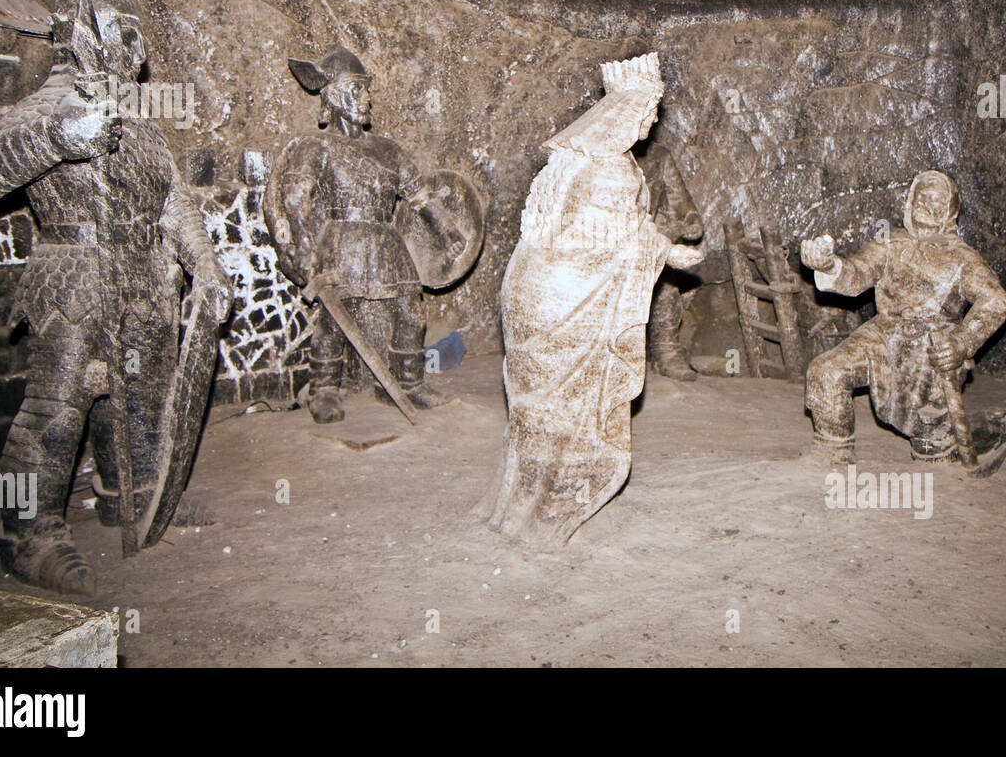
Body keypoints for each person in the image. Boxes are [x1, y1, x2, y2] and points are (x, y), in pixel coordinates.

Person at [0, 0, 231, 594]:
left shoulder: (139, 121)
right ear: (85, 30)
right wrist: (56, 138)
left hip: (141, 276)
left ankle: (127, 493)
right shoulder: (50, 107)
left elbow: (171, 200)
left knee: (138, 402)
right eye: (124, 31)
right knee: (57, 410)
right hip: (73, 275)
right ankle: (29, 533)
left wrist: (204, 263)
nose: (135, 49)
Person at [487, 52, 703, 547]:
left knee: (537, 407)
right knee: (572, 411)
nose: (653, 120)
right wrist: (669, 253)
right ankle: (552, 513)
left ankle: (519, 505)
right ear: (625, 109)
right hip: (569, 300)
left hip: (533, 292)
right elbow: (616, 241)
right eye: (648, 109)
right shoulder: (611, 169)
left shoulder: (576, 156)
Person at [265, 45, 483, 423]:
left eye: (366, 90)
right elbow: (296, 197)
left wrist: (446, 228)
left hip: (386, 240)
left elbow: (419, 196)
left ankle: (408, 382)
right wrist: (302, 241)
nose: (365, 98)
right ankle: (325, 388)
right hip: (341, 238)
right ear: (331, 96)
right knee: (335, 316)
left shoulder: (387, 149)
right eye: (355, 90)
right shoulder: (316, 146)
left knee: (410, 313)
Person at [800, 170, 1006, 465]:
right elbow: (857, 274)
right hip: (884, 334)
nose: (926, 203)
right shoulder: (891, 242)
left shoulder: (963, 258)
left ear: (950, 209)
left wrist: (962, 342)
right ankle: (832, 449)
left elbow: (995, 302)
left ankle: (998, 425)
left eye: (936, 199)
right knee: (827, 370)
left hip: (932, 345)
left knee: (929, 446)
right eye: (921, 196)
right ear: (911, 201)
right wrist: (828, 265)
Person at [634, 141, 704, 381]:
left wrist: (691, 220)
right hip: (607, 245)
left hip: (648, 243)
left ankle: (666, 348)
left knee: (667, 285)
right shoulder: (601, 154)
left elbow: (680, 200)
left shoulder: (658, 155)